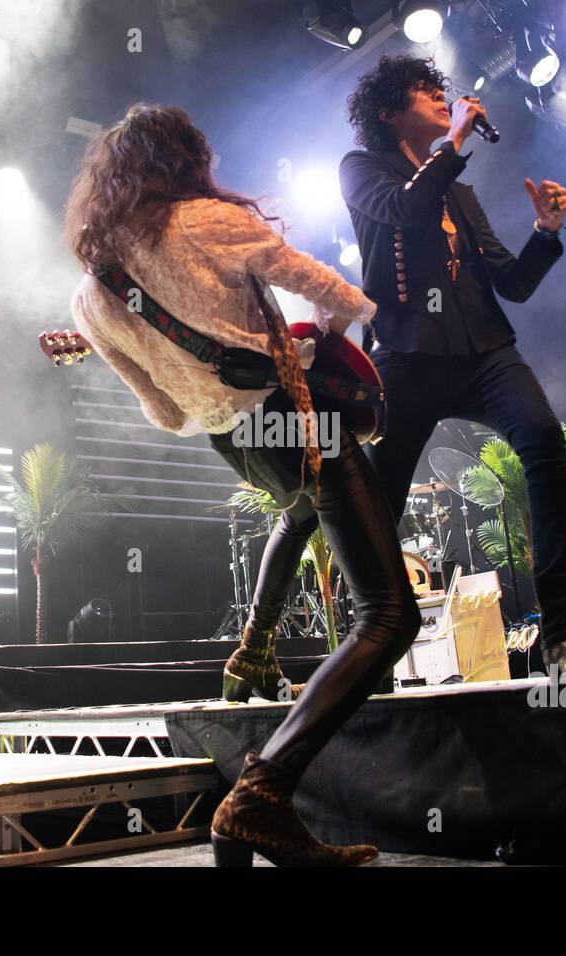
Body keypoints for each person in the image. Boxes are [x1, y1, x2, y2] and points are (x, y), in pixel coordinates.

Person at [66, 104, 422, 865]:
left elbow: (161, 412)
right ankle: (259, 796)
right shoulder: (203, 221)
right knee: (389, 617)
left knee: (324, 551)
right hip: (298, 417)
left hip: (238, 445)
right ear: (186, 159)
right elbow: (345, 295)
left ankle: (256, 687)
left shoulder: (91, 294)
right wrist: (320, 343)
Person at [338, 54, 566, 673]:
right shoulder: (361, 169)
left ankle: (565, 638)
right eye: (425, 89)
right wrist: (455, 140)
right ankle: (370, 646)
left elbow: (510, 283)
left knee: (542, 439)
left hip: (484, 350)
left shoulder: (458, 189)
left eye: (441, 87)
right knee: (381, 493)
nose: (441, 94)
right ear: (388, 111)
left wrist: (545, 232)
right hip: (406, 353)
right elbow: (405, 208)